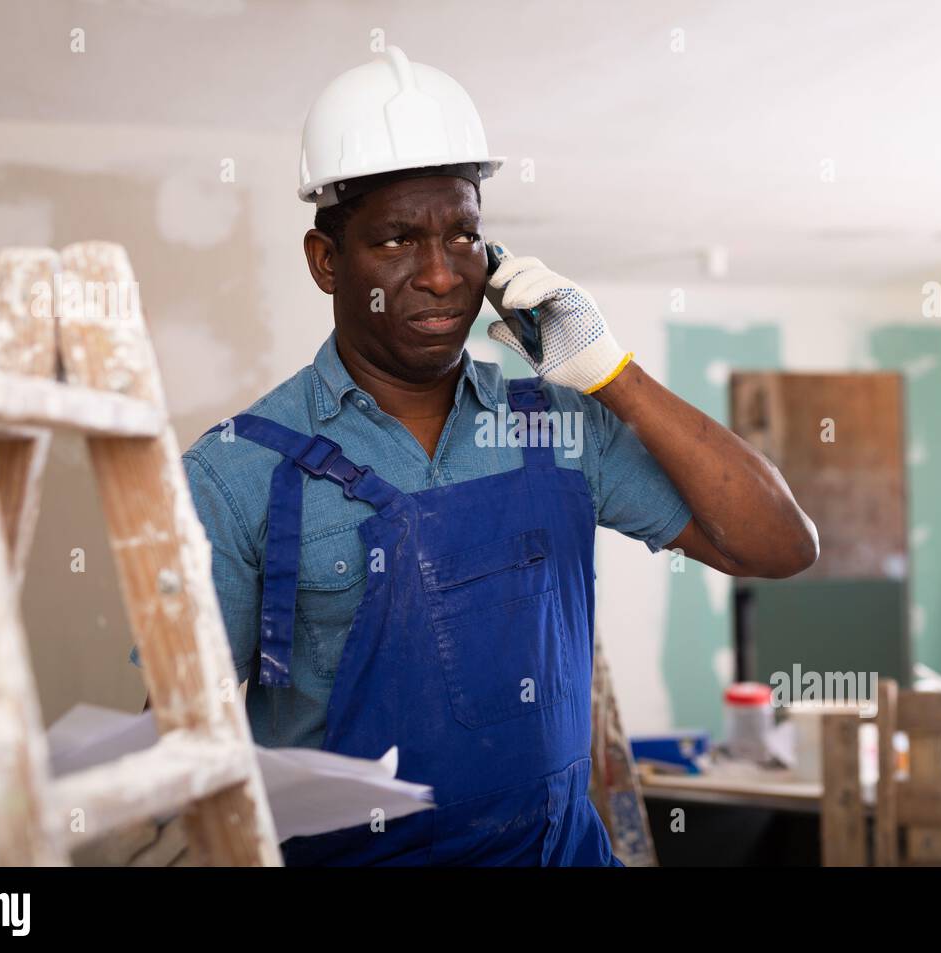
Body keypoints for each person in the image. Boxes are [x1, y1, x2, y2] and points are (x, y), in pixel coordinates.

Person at [139, 45, 817, 866]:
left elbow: (781, 546)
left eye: (463, 235)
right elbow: (179, 740)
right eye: (396, 241)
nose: (438, 274)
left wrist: (613, 375)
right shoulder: (236, 473)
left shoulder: (558, 427)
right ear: (327, 262)